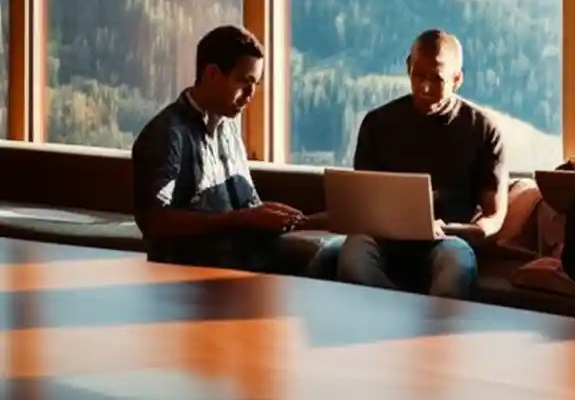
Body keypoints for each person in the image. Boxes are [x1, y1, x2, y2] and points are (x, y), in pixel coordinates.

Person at [132, 25, 328, 275]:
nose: (250, 95)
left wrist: (277, 215)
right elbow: (154, 220)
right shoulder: (167, 133)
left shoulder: (229, 129)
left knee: (327, 254)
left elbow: (242, 208)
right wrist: (239, 219)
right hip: (193, 272)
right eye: (244, 82)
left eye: (255, 84)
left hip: (241, 258)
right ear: (212, 74)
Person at [334, 29, 507, 299]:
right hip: (382, 238)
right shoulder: (378, 123)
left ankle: (421, 328)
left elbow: (494, 217)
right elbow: (363, 203)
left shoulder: (482, 129)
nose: (425, 88)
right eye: (418, 75)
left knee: (455, 270)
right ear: (407, 67)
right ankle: (402, 314)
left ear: (457, 79)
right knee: (353, 258)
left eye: (436, 79)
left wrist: (452, 229)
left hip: (448, 240)